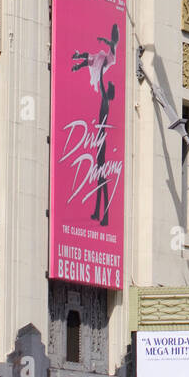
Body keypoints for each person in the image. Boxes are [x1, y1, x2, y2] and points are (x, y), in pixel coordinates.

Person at [72, 24, 119, 227]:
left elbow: (98, 74)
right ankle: (97, 212)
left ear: (108, 92)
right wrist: (79, 64)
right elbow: (89, 58)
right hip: (100, 145)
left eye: (108, 87)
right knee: (100, 181)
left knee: (102, 180)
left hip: (102, 146)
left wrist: (109, 43)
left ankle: (105, 215)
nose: (105, 85)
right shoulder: (104, 100)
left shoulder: (105, 102)